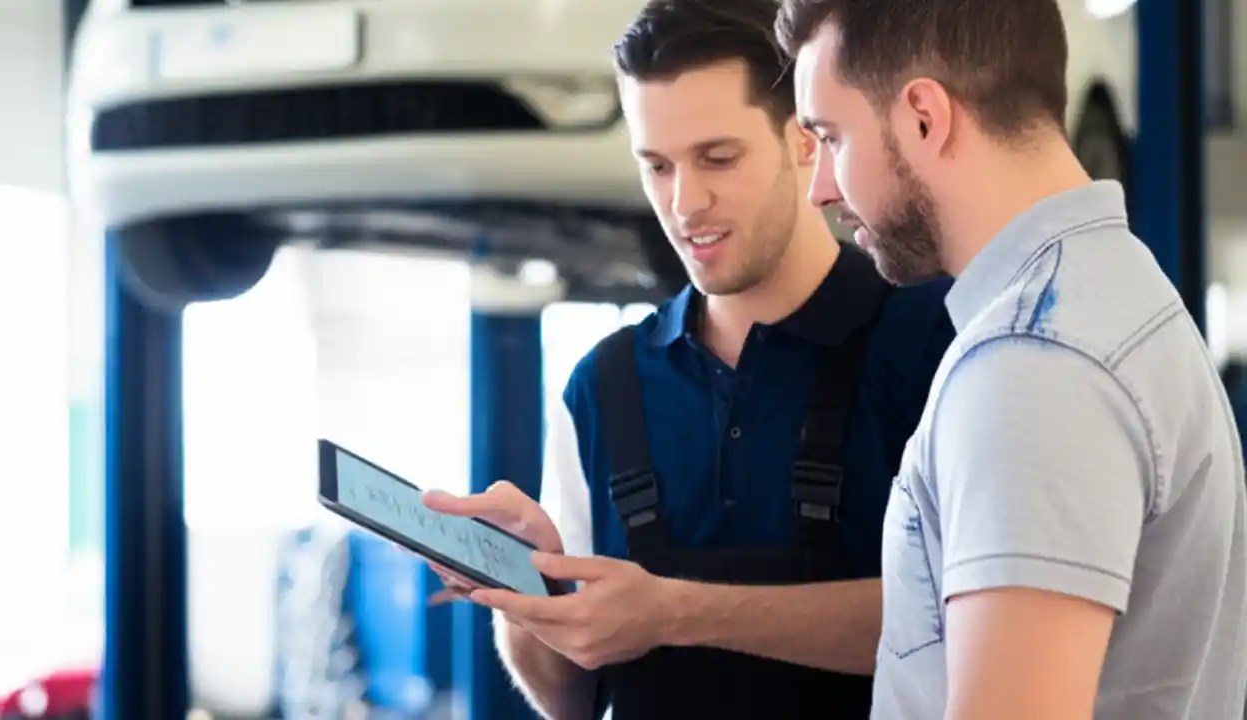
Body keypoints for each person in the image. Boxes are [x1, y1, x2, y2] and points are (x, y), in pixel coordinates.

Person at [421, 1, 953, 718]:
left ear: (806, 140)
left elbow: (966, 626)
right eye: (657, 166)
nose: (684, 203)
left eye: (717, 158)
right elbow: (571, 702)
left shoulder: (932, 342)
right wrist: (526, 591)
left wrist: (674, 613)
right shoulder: (603, 387)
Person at [775, 1, 1247, 718]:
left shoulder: (1033, 366)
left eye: (832, 137)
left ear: (924, 117)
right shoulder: (1116, 292)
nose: (820, 189)